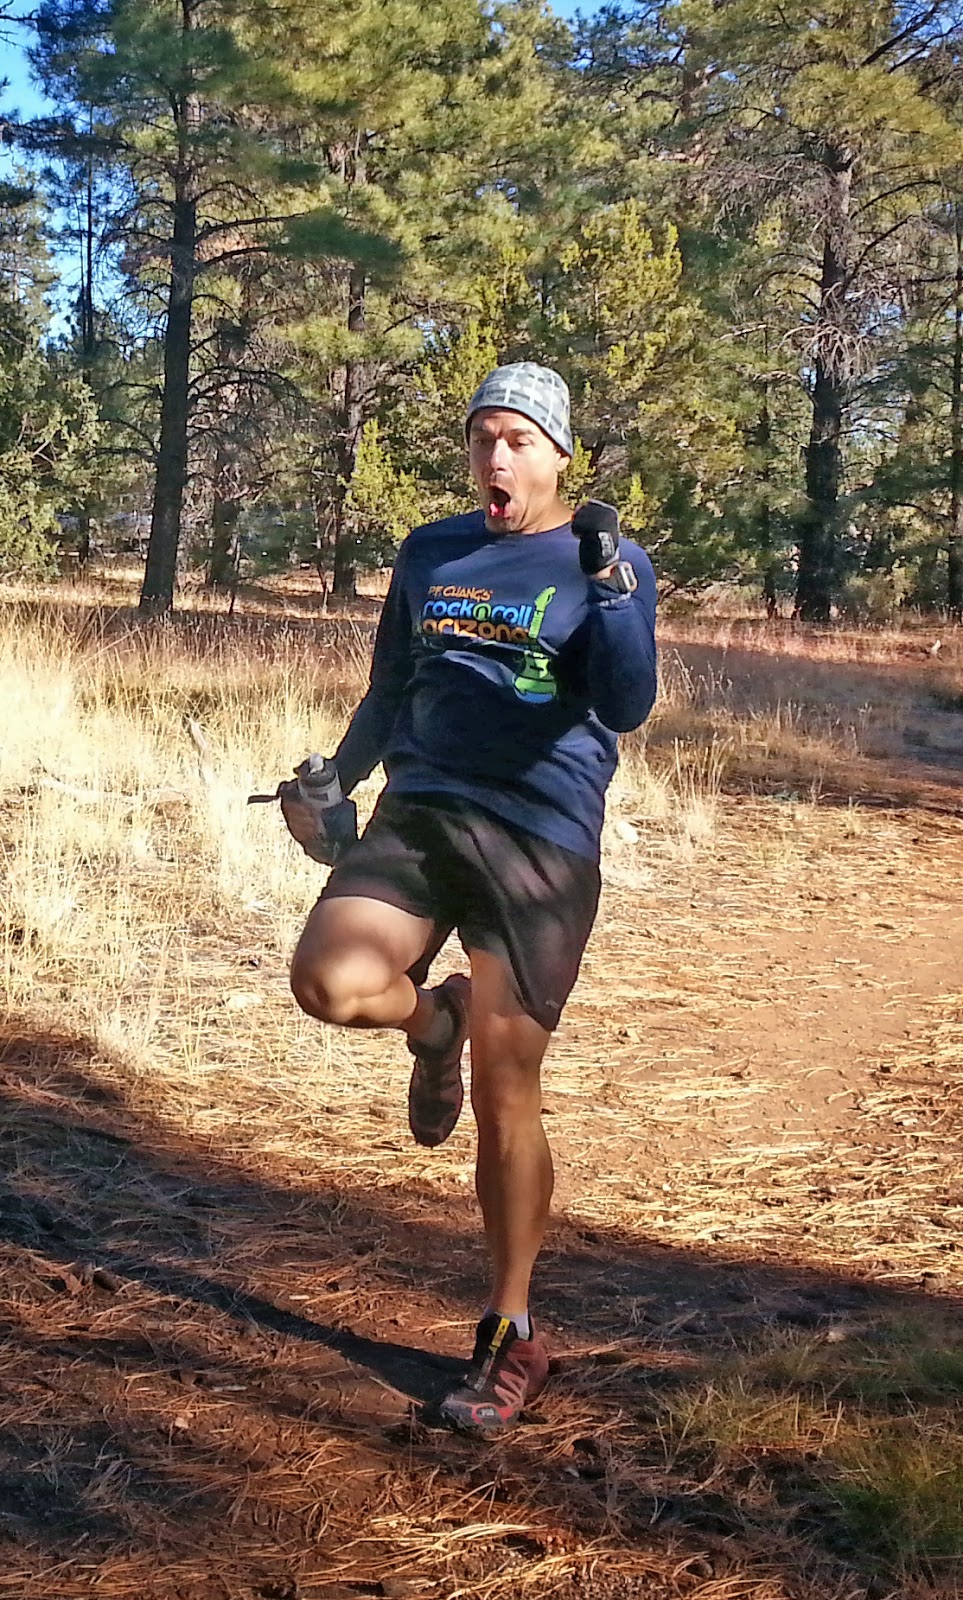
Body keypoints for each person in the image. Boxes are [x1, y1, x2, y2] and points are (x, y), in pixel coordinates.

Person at [282, 362, 658, 1436]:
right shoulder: (434, 550)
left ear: (558, 453)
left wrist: (618, 594)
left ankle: (512, 1329)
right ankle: (429, 1016)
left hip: (538, 835)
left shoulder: (604, 559)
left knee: (507, 1086)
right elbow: (390, 685)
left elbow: (626, 704)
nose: (497, 457)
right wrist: (335, 780)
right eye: (483, 437)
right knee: (332, 980)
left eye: (519, 440)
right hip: (424, 809)